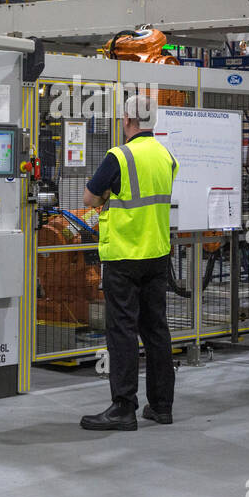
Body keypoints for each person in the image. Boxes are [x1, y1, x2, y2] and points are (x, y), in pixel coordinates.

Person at [79, 93, 179, 430]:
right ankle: (162, 406)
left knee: (122, 332)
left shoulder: (118, 156)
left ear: (127, 120)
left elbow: (89, 197)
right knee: (157, 330)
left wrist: (108, 195)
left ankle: (124, 408)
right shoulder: (166, 156)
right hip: (157, 255)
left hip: (123, 256)